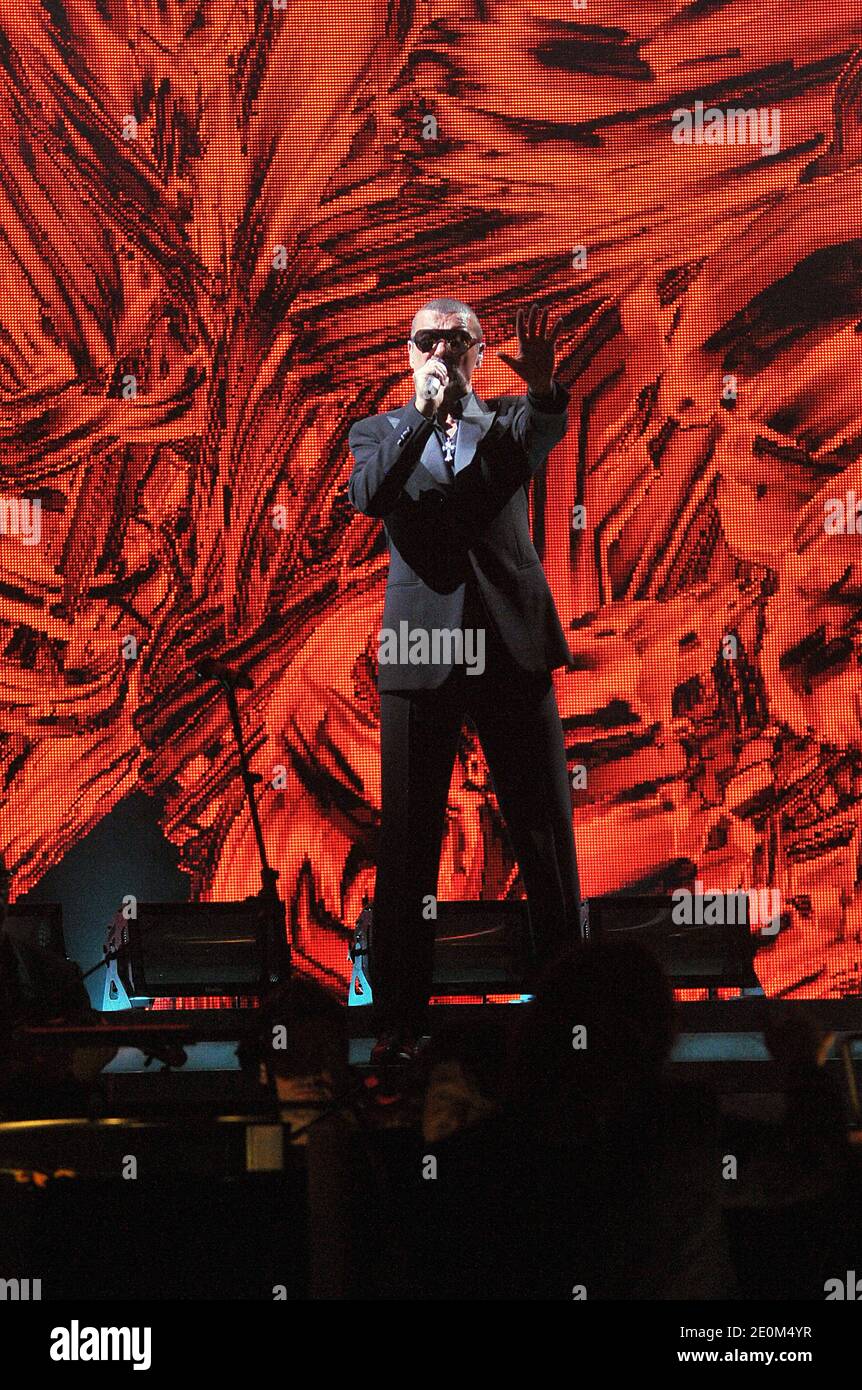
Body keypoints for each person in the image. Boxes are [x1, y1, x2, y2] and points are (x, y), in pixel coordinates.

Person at [347, 297, 582, 1063]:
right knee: (410, 842)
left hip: (511, 645)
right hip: (421, 652)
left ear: (481, 353)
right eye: (427, 341)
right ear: (408, 354)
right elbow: (368, 496)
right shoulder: (380, 431)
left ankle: (569, 1010)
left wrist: (545, 388)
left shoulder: (509, 424)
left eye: (456, 341)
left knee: (543, 830)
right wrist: (421, 415)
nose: (441, 352)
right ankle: (399, 1020)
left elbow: (546, 424)